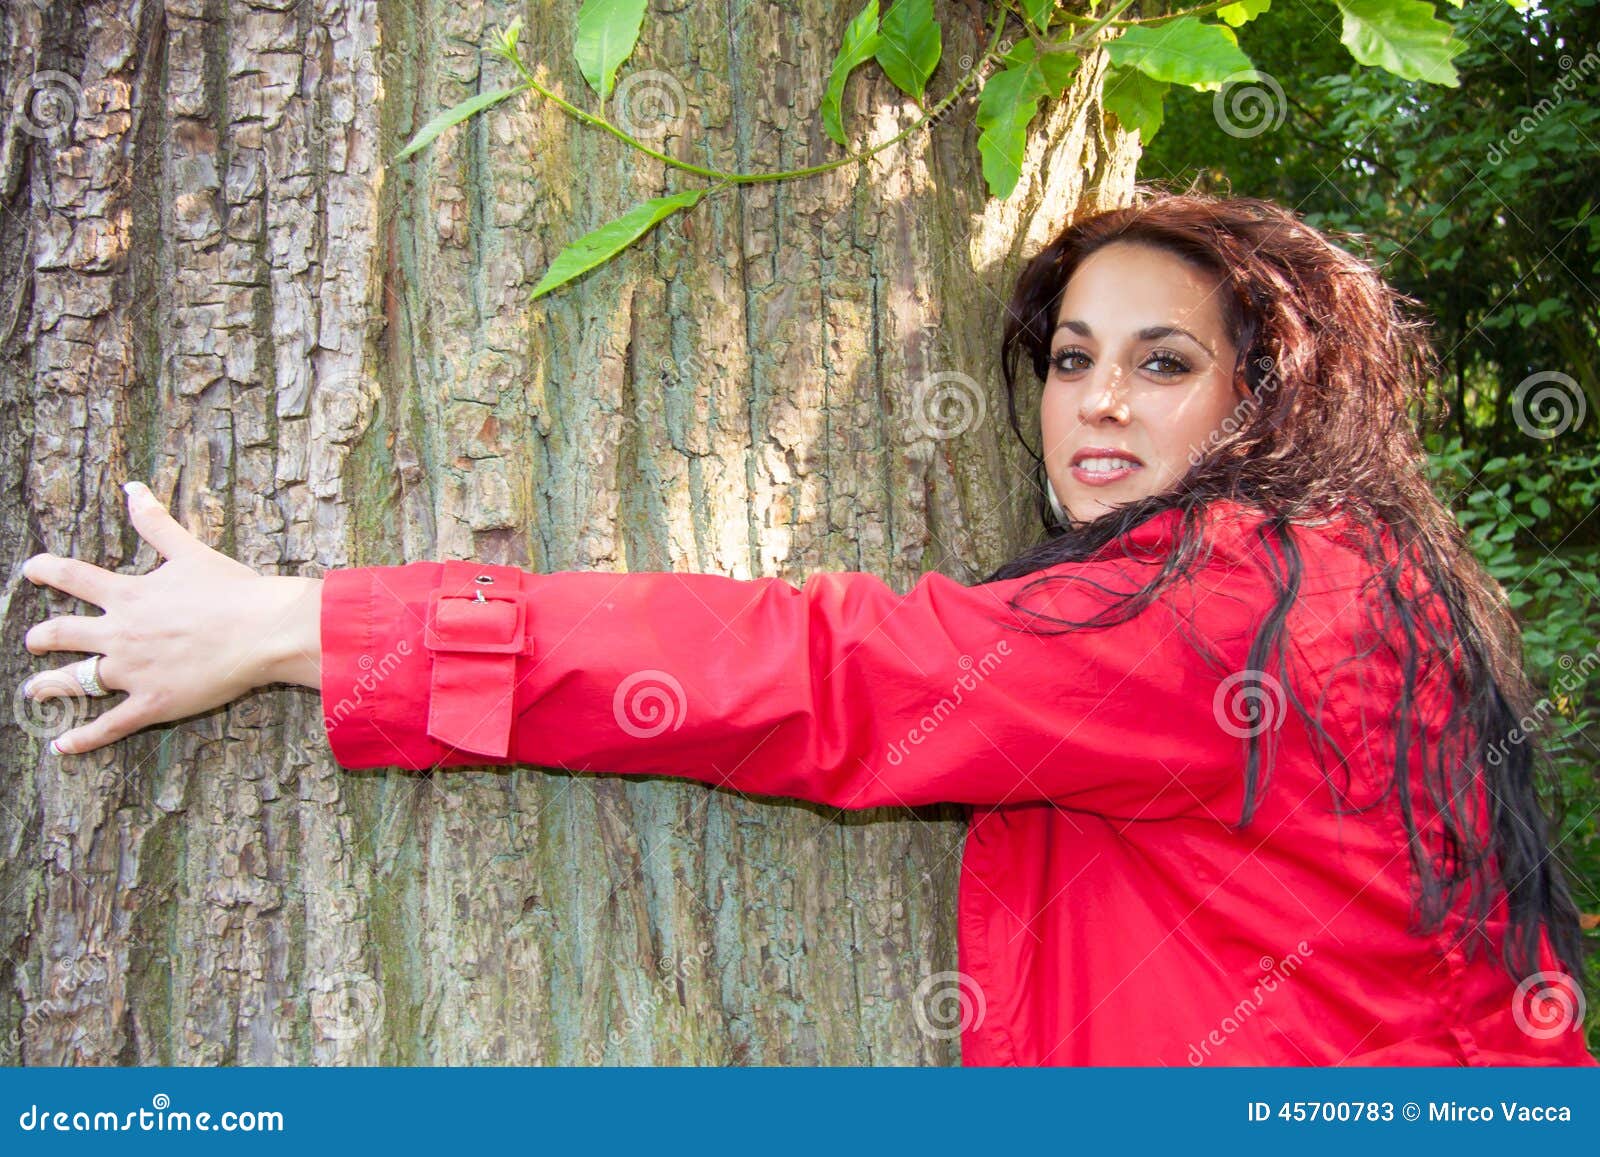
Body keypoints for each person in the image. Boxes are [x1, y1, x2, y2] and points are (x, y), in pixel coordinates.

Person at [17, 187, 1595, 1066]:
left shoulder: (1245, 597)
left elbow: (827, 675)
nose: (1099, 397)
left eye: (1166, 362)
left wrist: (312, 623)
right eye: (1069, 355)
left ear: (1273, 390)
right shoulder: (1346, 580)